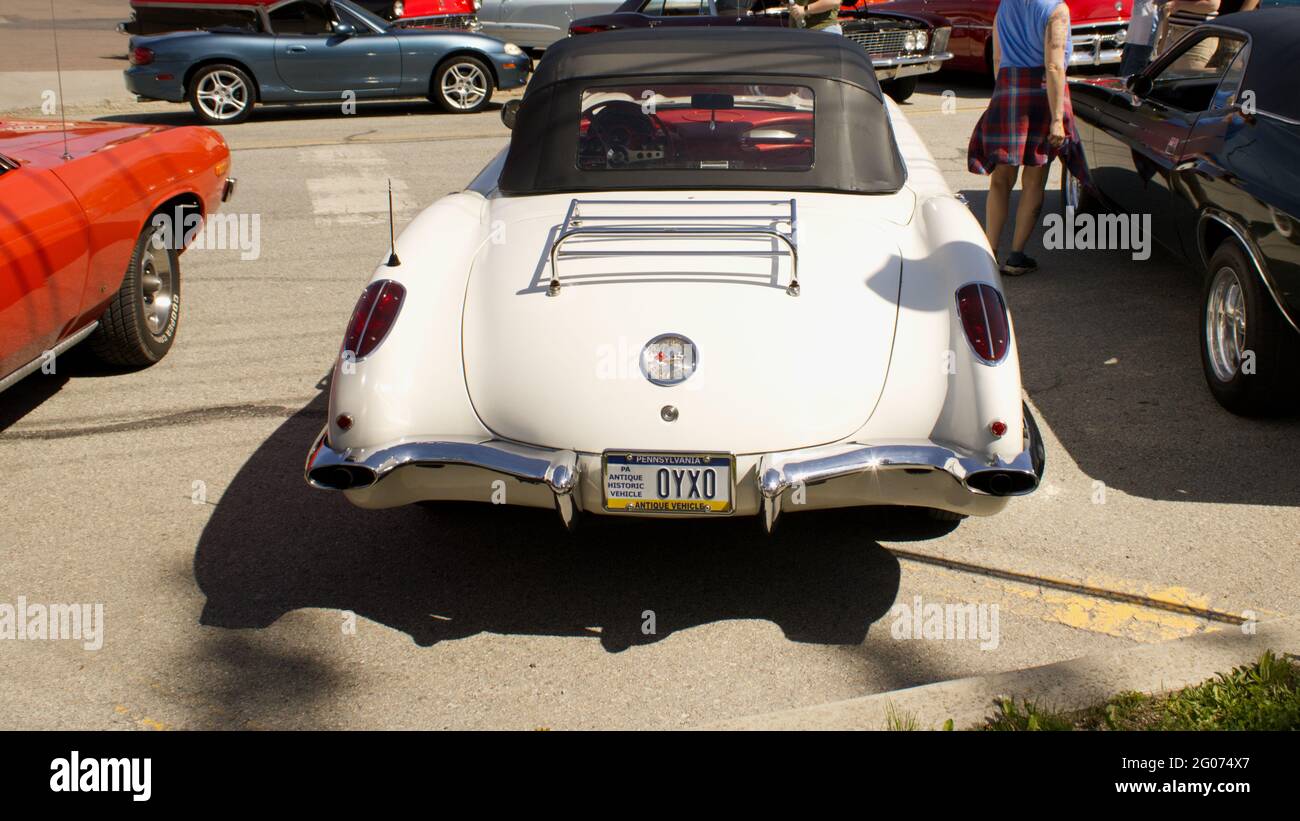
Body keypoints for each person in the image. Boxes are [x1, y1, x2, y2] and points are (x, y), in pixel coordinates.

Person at [967, 0, 1087, 276]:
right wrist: (1057, 118)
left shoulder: (1005, 6)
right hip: (1043, 93)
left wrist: (1004, 94)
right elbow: (1054, 65)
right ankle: (1016, 257)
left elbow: (997, 58)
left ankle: (989, 252)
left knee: (1000, 179)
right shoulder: (1056, 9)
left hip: (1008, 88)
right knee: (1034, 180)